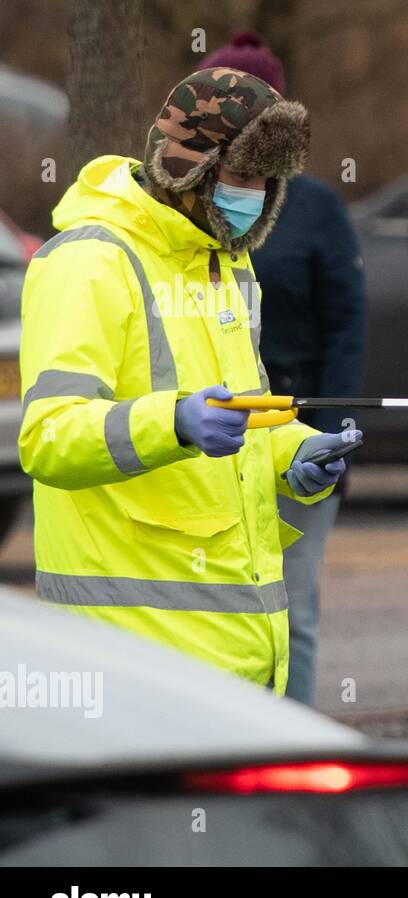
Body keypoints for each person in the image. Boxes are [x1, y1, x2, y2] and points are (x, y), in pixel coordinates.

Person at [19, 67, 359, 694]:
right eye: (241, 176)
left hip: (241, 664)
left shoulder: (221, 264)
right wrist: (172, 423)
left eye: (266, 181)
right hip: (135, 667)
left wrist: (294, 452)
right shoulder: (89, 262)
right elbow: (47, 437)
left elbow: (240, 413)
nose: (254, 194)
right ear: (187, 168)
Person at [197, 32, 367, 705]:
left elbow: (346, 323)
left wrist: (332, 428)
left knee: (292, 606)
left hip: (294, 434)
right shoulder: (187, 206)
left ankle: (291, 740)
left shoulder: (318, 209)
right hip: (205, 435)